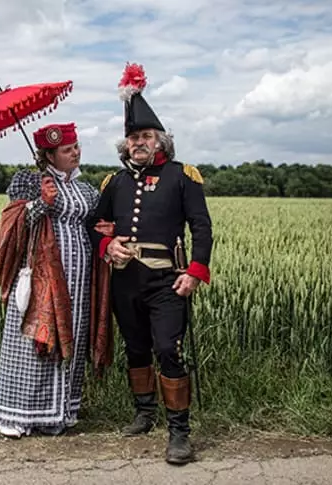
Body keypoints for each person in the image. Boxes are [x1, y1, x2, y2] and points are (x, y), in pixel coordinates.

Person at [87, 63, 213, 465]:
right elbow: (92, 226)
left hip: (168, 282)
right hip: (126, 282)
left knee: (167, 349)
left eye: (145, 136)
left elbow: (202, 227)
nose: (138, 143)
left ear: (160, 141)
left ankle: (179, 433)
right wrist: (108, 245)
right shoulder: (115, 182)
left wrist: (195, 272)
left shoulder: (182, 177)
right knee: (137, 348)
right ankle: (144, 412)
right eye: (132, 137)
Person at [0, 122, 113, 438]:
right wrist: (40, 204)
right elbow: (13, 226)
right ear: (49, 154)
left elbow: (92, 225)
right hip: (43, 279)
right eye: (66, 150)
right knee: (35, 343)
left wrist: (103, 230)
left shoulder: (85, 189)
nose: (75, 153)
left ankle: (58, 414)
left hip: (79, 280)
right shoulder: (29, 182)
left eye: (76, 147)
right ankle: (19, 416)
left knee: (70, 339)